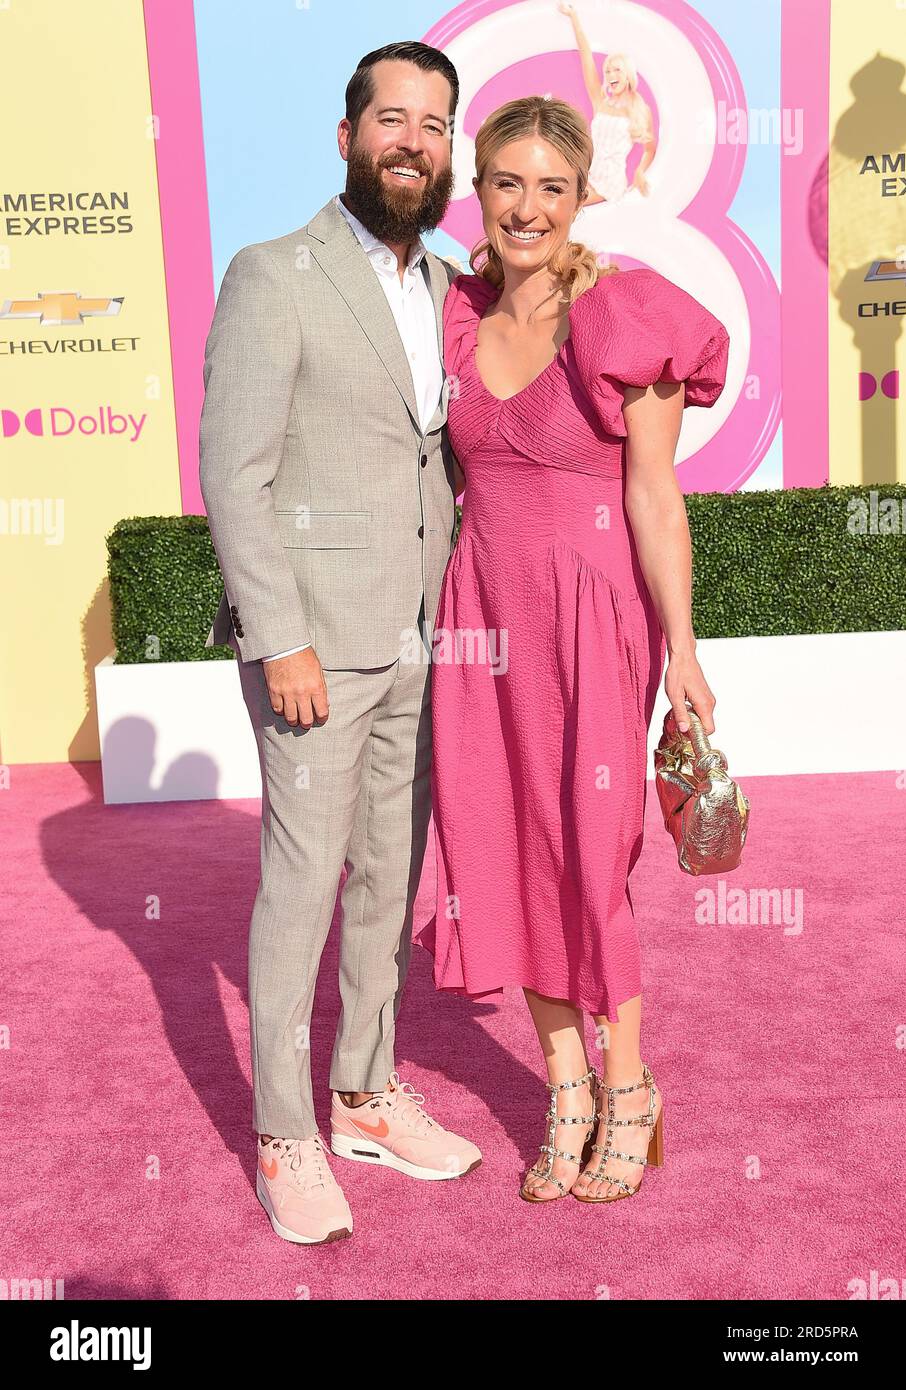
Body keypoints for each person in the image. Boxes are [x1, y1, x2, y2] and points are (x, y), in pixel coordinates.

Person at [415, 95, 729, 1204]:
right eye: (507, 182)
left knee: (588, 852)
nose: (527, 206)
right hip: (476, 621)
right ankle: (565, 1087)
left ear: (581, 194)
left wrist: (682, 646)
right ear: (479, 190)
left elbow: (654, 495)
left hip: (592, 616)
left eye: (552, 185)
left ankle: (629, 1084)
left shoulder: (620, 314)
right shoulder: (452, 317)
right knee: (496, 843)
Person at [199, 41, 481, 1247]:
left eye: (431, 122)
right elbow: (234, 474)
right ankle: (283, 1129)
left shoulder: (451, 283)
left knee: (388, 876)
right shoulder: (276, 273)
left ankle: (364, 1090)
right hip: (315, 644)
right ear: (345, 136)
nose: (410, 139)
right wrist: (280, 640)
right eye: (390, 118)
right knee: (303, 882)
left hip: (423, 635)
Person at [558, 1, 656, 204]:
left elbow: (649, 149)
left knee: (568, 205)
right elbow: (586, 54)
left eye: (617, 70)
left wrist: (639, 172)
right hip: (588, 173)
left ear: (628, 74)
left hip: (610, 183)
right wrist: (573, 17)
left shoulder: (639, 109)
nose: (611, 75)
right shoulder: (601, 102)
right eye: (608, 71)